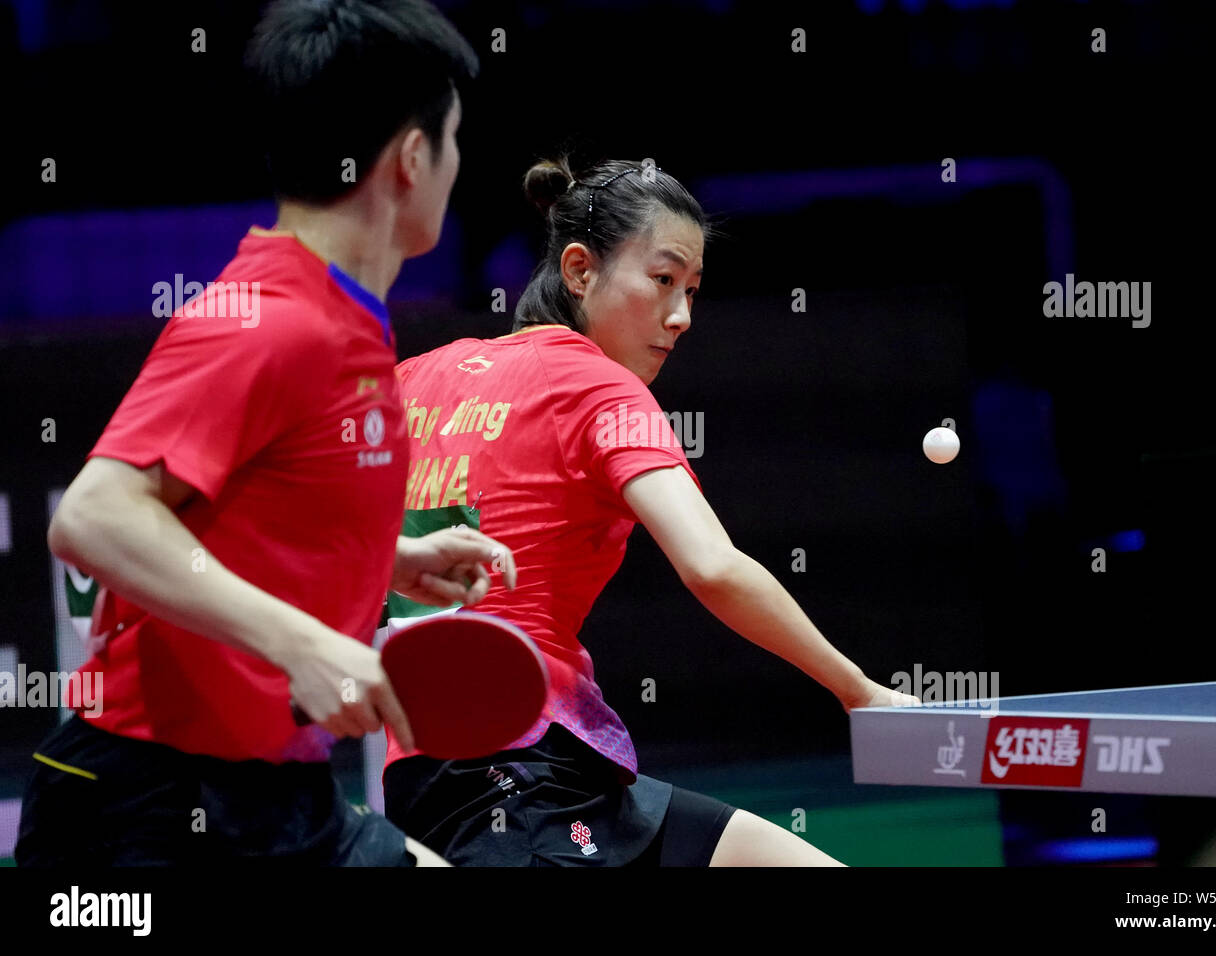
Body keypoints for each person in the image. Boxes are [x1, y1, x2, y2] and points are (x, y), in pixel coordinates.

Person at [16, 0, 510, 867]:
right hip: (149, 805)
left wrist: (382, 559)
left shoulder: (343, 316)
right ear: (411, 157)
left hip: (276, 790)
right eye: (455, 140)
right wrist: (307, 642)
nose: (458, 165)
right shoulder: (270, 322)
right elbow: (94, 515)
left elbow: (252, 498)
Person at [381, 158, 917, 867]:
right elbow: (712, 566)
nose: (681, 315)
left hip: (438, 771)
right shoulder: (600, 387)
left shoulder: (413, 378)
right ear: (579, 270)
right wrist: (861, 693)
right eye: (663, 280)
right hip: (520, 777)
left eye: (692, 290)